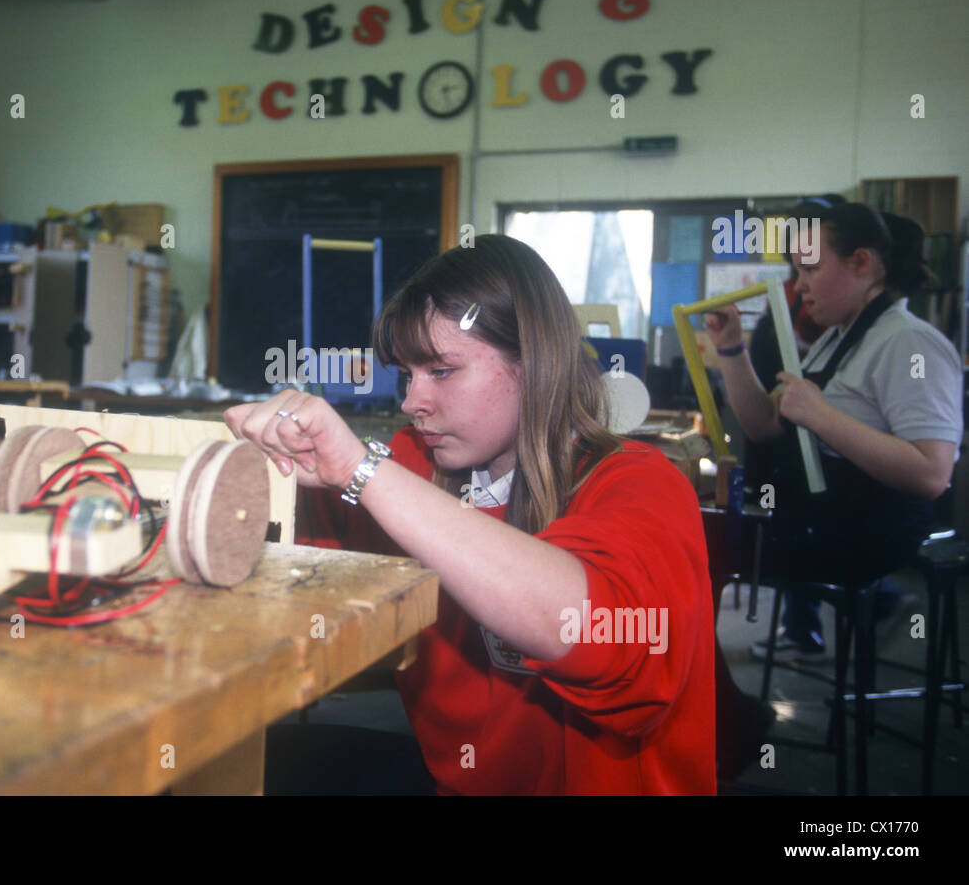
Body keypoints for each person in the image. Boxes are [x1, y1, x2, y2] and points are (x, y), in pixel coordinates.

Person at [224, 234, 715, 795]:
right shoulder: (413, 464)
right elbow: (285, 566)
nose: (412, 401)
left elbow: (587, 633)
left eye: (441, 371)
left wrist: (363, 472)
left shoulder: (640, 484)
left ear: (534, 364)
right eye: (408, 374)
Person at [706, 203, 961, 661]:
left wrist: (821, 416)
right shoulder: (838, 337)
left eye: (811, 269)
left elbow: (931, 473)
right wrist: (731, 348)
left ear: (861, 264)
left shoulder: (907, 341)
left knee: (693, 545)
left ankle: (714, 706)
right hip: (822, 518)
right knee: (692, 535)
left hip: (868, 531)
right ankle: (710, 701)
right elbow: (765, 426)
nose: (799, 285)